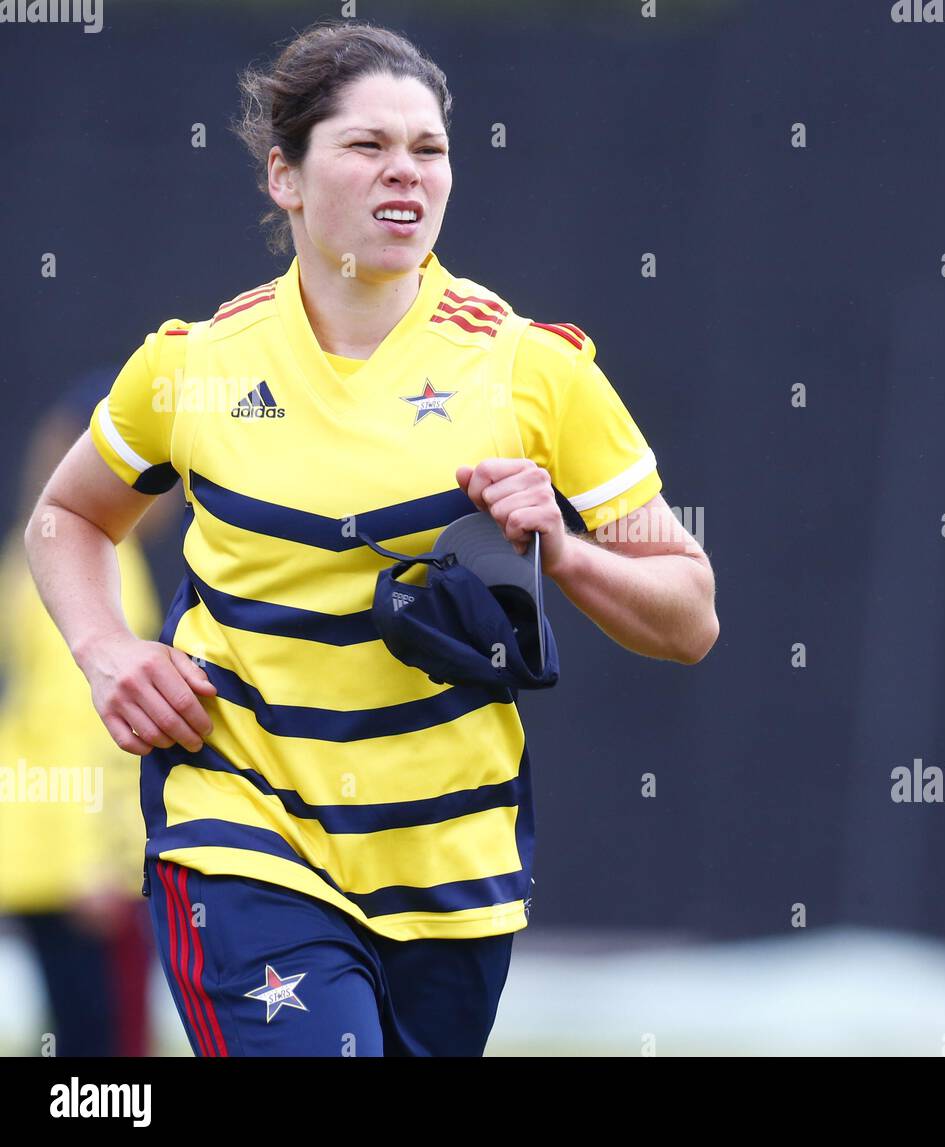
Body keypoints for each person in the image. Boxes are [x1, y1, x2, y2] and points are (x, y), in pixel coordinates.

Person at [23, 20, 718, 1057]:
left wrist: (565, 552)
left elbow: (690, 613)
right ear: (285, 177)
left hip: (450, 866)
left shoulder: (537, 369)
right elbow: (67, 516)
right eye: (367, 146)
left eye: (428, 149)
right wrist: (106, 650)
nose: (407, 172)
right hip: (240, 834)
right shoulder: (192, 365)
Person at [0, 375, 168, 1057]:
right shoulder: (98, 559)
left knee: (80, 1042)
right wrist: (95, 865)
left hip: (35, 849)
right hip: (82, 865)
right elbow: (84, 719)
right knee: (111, 1056)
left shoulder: (29, 554)